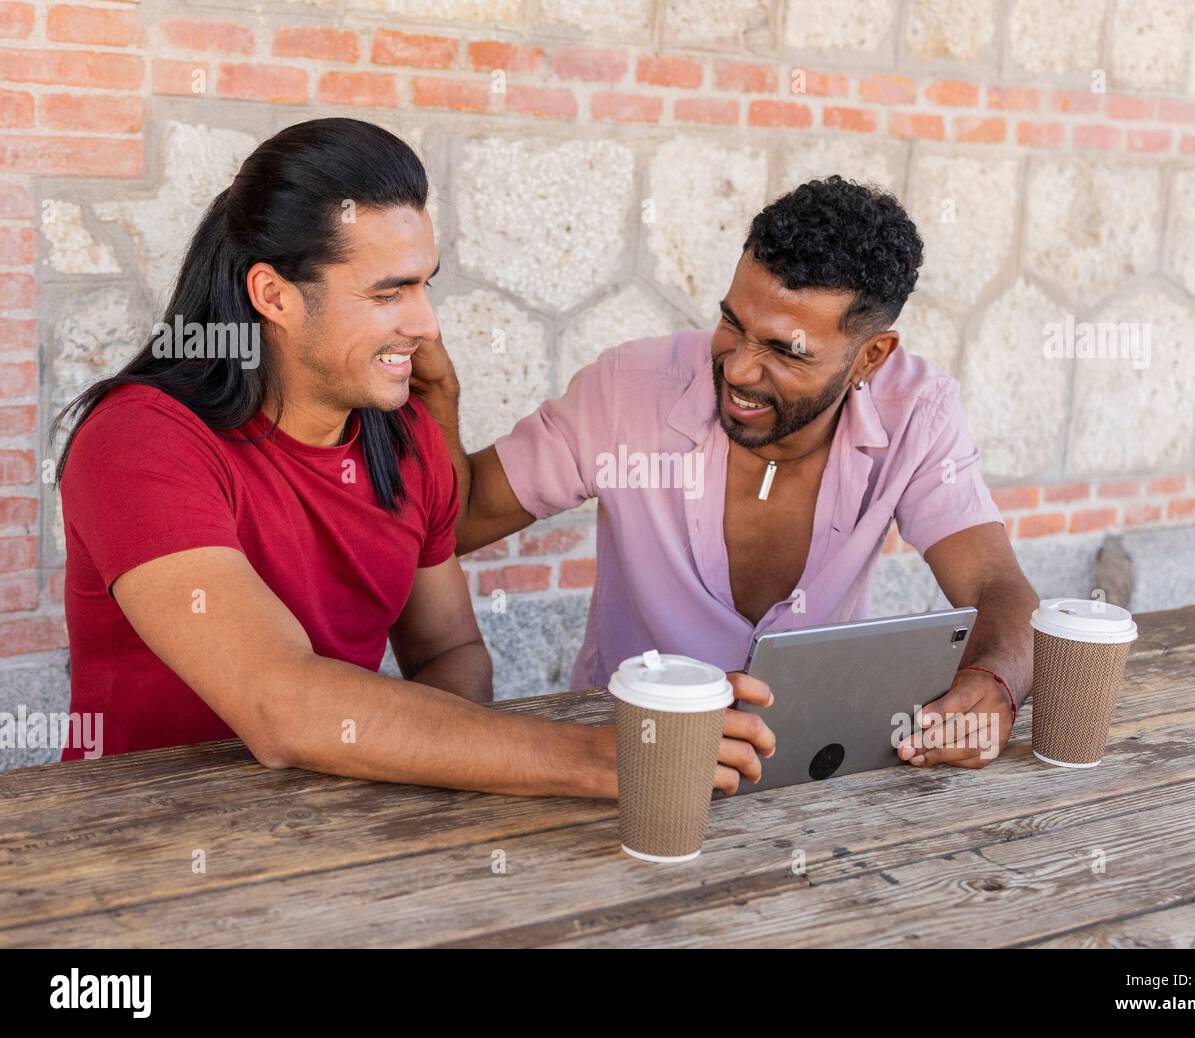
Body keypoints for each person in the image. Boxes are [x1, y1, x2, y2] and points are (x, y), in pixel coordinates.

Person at [54, 118, 775, 795]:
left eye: (424, 283)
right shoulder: (142, 441)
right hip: (140, 836)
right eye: (387, 292)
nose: (425, 322)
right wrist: (588, 758)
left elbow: (449, 653)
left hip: (343, 826)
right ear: (273, 295)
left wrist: (416, 778)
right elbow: (279, 703)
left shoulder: (409, 442)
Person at [418, 176, 1041, 770]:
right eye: (732, 325)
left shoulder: (917, 412)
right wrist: (441, 398)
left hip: (817, 766)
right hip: (631, 757)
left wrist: (992, 687)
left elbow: (997, 586)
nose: (740, 369)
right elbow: (458, 521)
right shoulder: (627, 392)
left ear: (869, 358)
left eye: (785, 350)